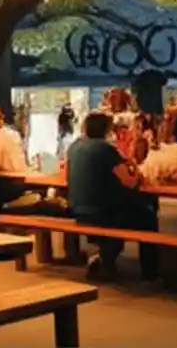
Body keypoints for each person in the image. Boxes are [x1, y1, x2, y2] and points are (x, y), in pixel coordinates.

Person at [66, 112, 159, 280]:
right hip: (104, 213)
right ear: (107, 130)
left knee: (122, 207)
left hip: (77, 211)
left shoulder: (74, 148)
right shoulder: (106, 149)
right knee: (147, 216)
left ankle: (104, 259)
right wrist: (134, 168)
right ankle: (150, 271)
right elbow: (129, 182)